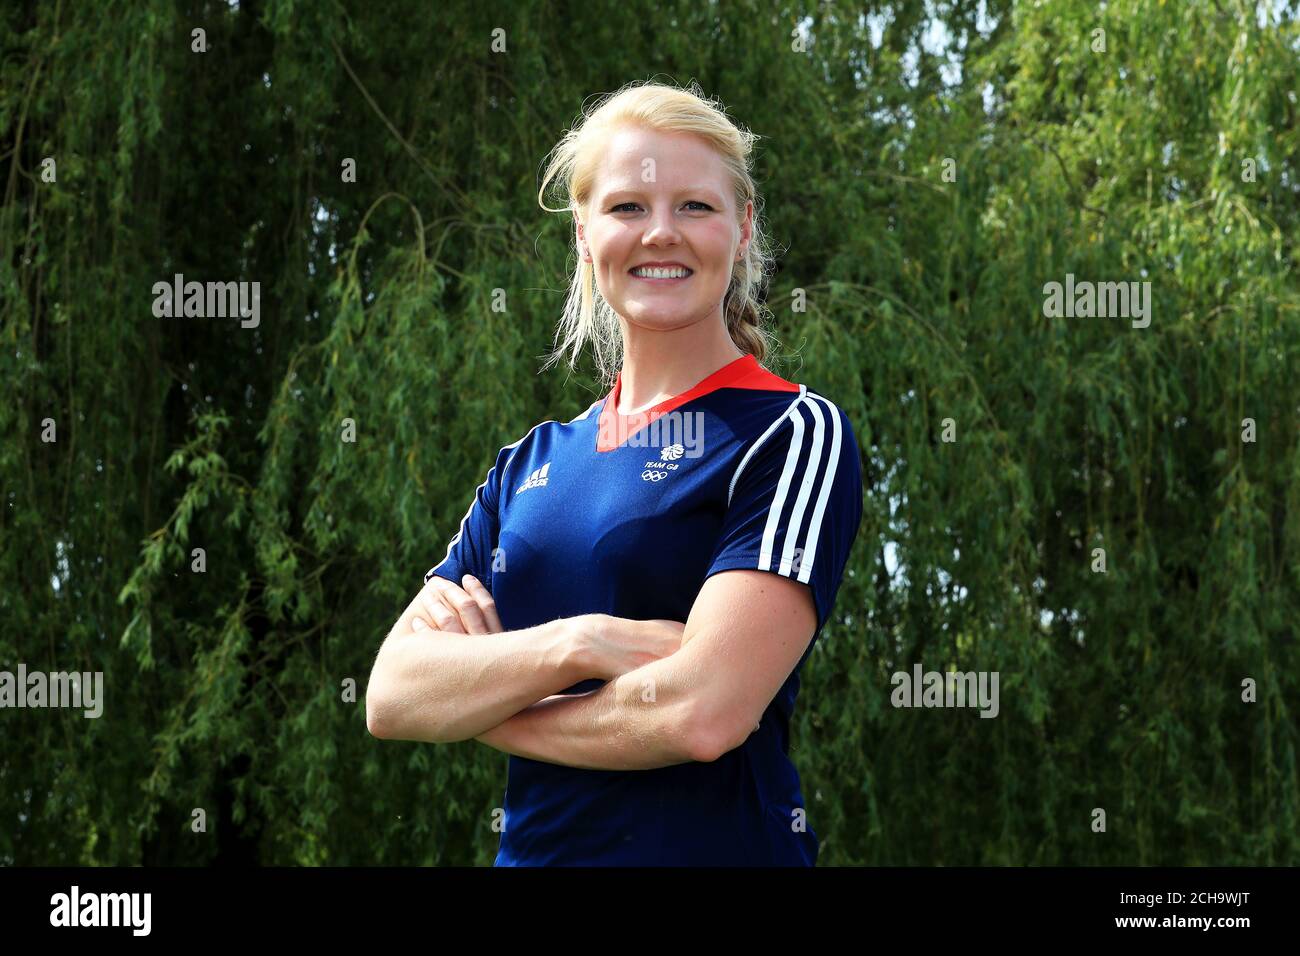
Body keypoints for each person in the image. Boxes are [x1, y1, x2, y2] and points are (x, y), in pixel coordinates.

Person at [366, 80, 864, 866]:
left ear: (742, 231)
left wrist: (486, 708)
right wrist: (583, 644)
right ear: (583, 236)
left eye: (695, 207)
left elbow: (702, 714)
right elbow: (394, 693)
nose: (661, 233)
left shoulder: (789, 433)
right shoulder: (526, 465)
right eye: (628, 207)